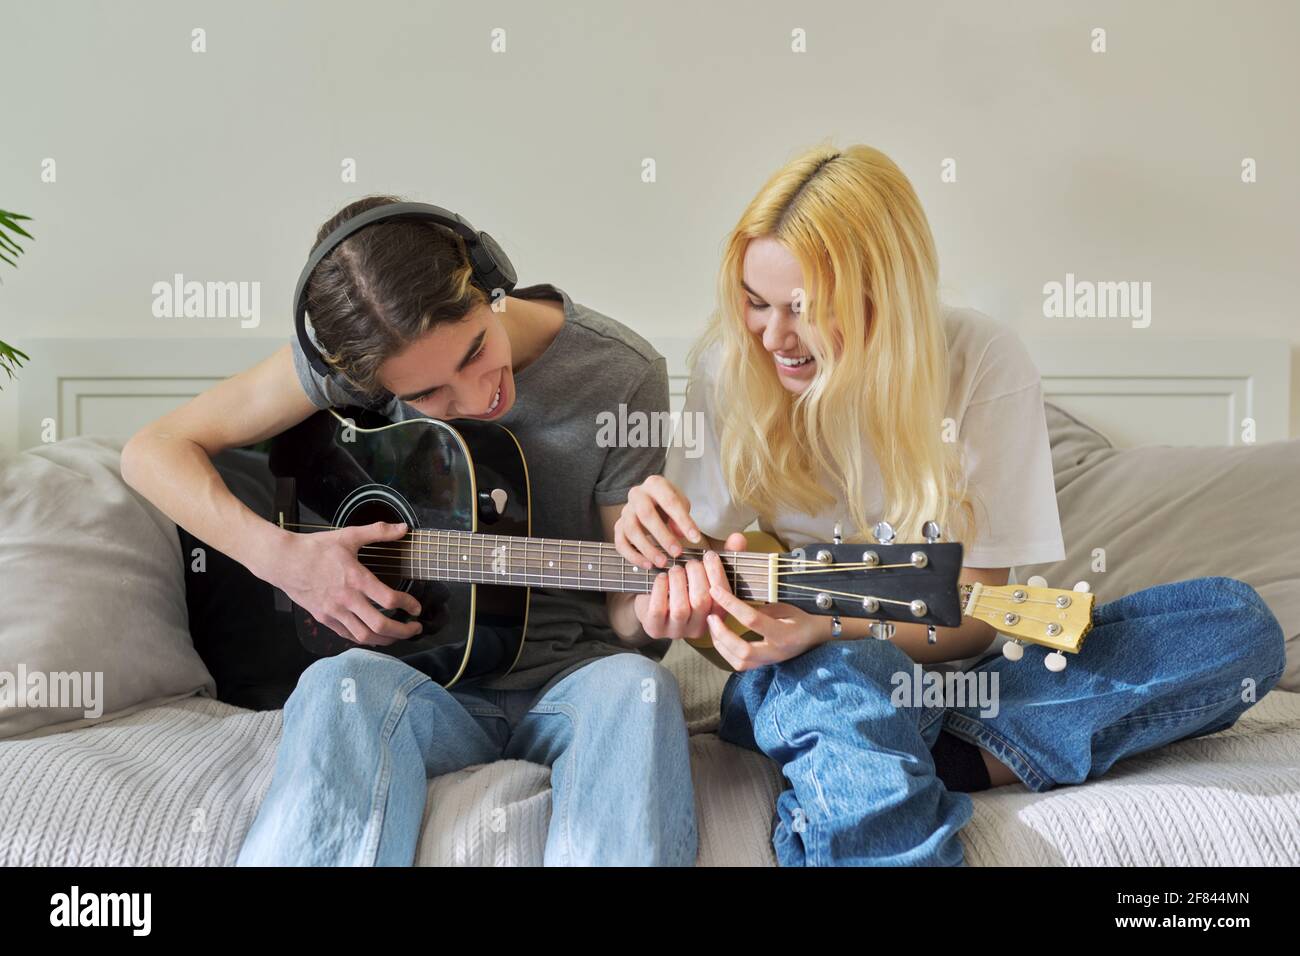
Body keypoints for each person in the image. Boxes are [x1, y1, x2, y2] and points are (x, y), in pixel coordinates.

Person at [612, 144, 1287, 866]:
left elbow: (972, 620)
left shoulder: (981, 362)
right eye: (755, 302)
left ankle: (918, 763)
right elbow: (642, 611)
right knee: (837, 676)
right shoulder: (732, 371)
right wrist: (650, 604)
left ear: (884, 295)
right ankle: (896, 766)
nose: (773, 336)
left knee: (1233, 627)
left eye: (803, 310)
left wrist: (826, 618)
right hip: (813, 680)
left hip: (966, 680)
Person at [121, 195, 697, 866]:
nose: (476, 394)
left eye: (476, 349)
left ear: (489, 281)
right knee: (336, 690)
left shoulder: (621, 373)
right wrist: (283, 558)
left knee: (640, 688)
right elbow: (152, 451)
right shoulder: (354, 361)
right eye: (426, 396)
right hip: (421, 687)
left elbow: (626, 612)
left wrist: (661, 611)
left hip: (574, 683)